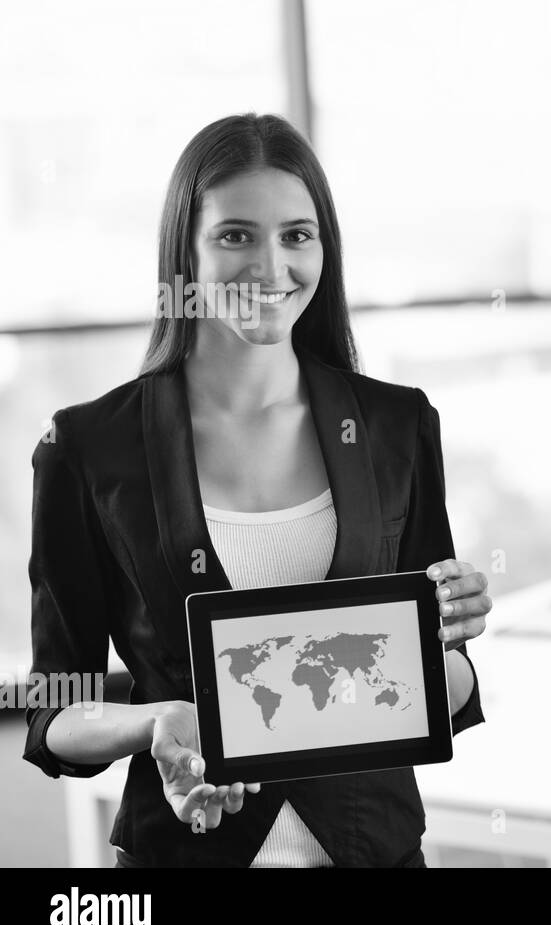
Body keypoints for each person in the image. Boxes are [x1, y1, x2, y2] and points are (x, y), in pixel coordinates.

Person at [24, 114, 491, 867]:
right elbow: (54, 707)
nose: (270, 267)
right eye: (236, 235)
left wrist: (454, 632)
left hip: (375, 849)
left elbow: (448, 672)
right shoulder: (87, 447)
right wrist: (156, 721)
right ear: (185, 251)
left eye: (297, 235)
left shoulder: (395, 424)